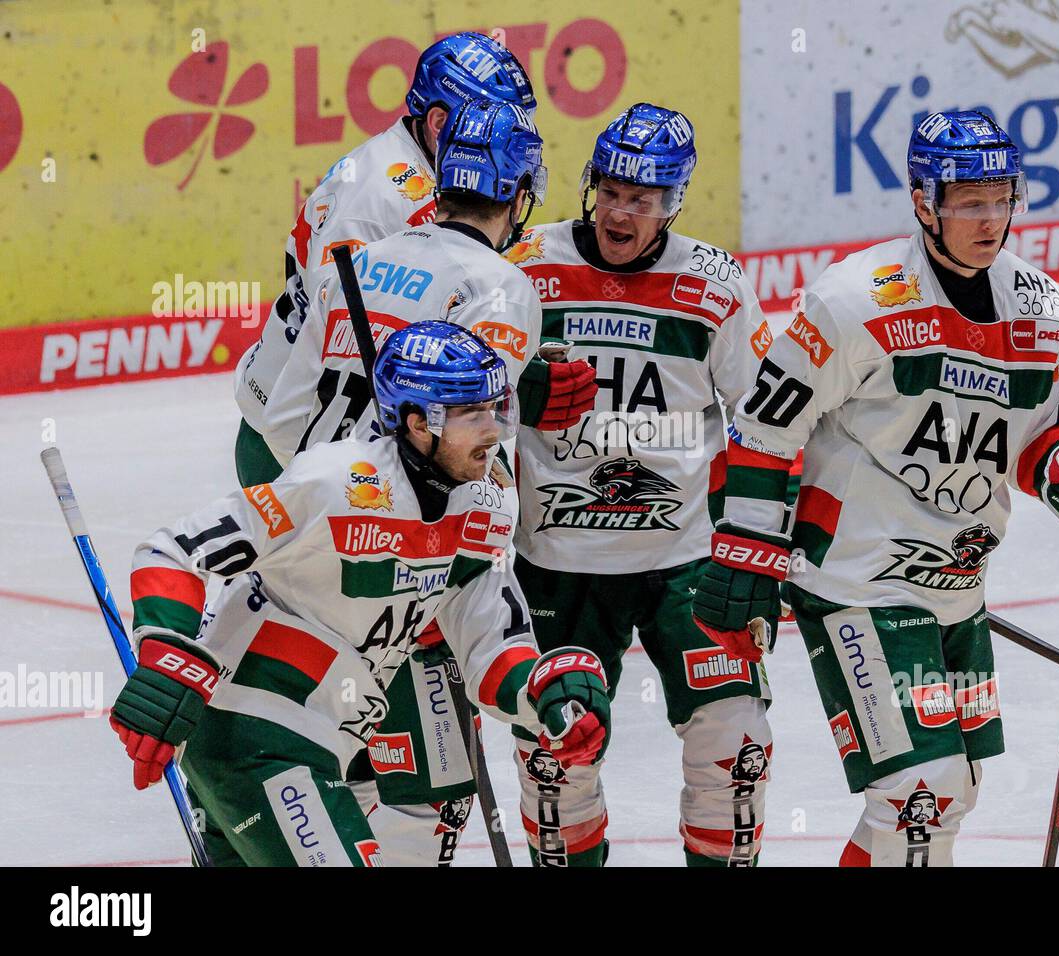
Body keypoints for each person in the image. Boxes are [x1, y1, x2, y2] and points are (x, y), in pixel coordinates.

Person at [691, 109, 1059, 867]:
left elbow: (1039, 442)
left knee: (946, 795)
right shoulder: (855, 300)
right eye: (968, 201)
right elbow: (767, 426)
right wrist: (746, 551)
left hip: (957, 584)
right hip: (856, 579)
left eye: (1001, 198)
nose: (989, 218)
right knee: (920, 797)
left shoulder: (1039, 308)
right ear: (922, 201)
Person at [108, 321, 611, 866]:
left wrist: (543, 692)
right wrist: (165, 656)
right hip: (257, 735)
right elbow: (173, 551)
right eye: (472, 414)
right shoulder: (338, 481)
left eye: (496, 409)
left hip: (322, 744)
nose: (494, 430)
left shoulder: (481, 512)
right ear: (419, 422)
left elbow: (492, 648)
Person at [258, 97, 596, 865]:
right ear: (518, 196)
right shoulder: (501, 288)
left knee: (316, 765)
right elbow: (465, 436)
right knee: (430, 796)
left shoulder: (365, 261)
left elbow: (280, 422)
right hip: (416, 561)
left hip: (320, 547)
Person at [505, 102, 776, 866]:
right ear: (592, 186)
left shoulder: (714, 284)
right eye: (613, 192)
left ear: (675, 202)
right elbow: (462, 393)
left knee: (737, 751)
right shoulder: (526, 264)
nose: (623, 212)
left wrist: (759, 552)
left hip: (686, 566)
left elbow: (764, 421)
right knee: (557, 768)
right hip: (555, 565)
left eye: (645, 198)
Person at [232, 31, 536, 487]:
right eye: (482, 116)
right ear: (438, 121)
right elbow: (348, 339)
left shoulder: (434, 177)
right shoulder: (375, 199)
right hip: (303, 432)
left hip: (330, 424)